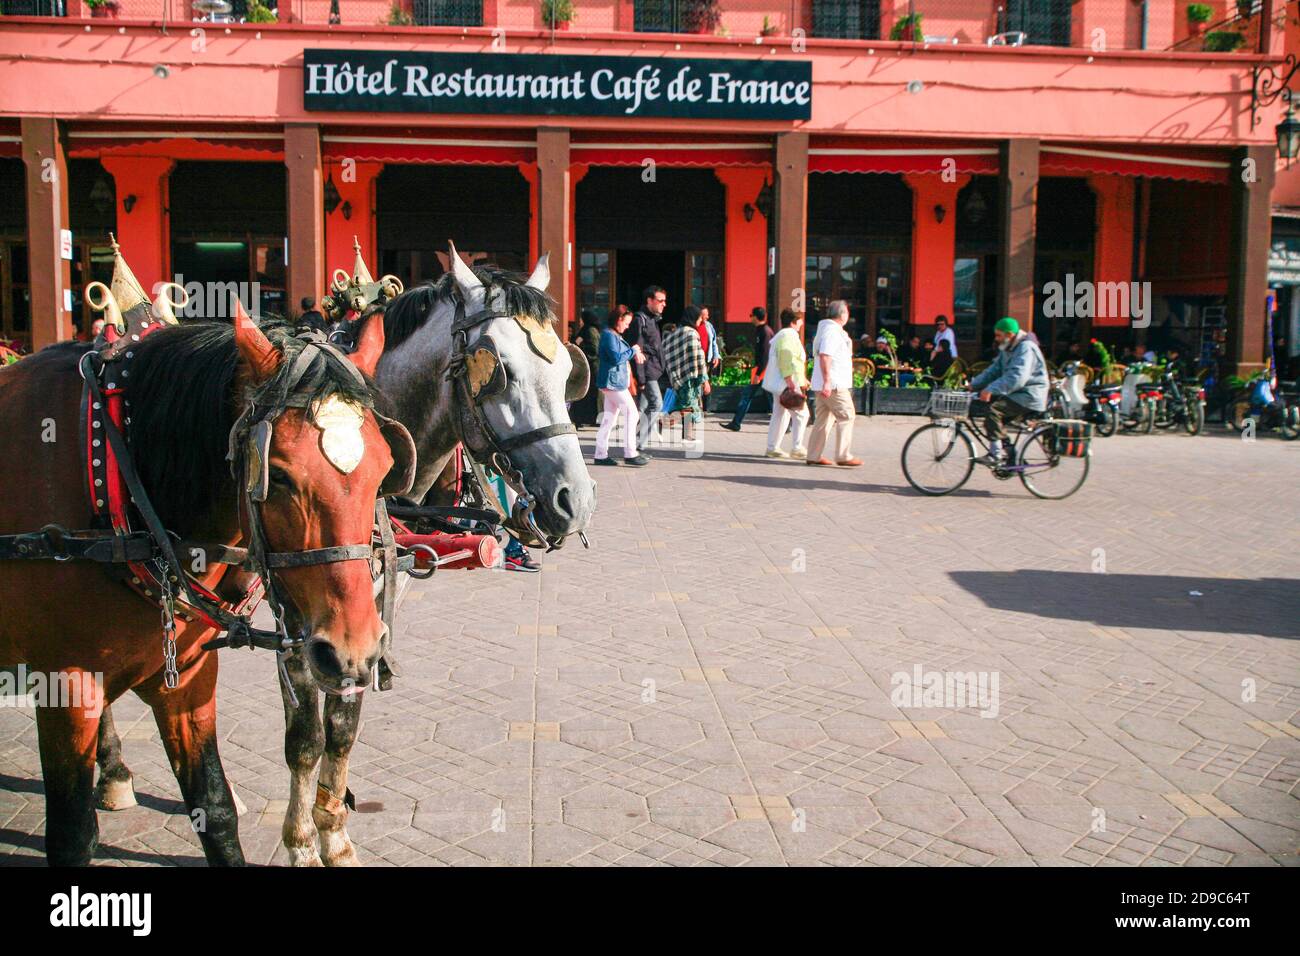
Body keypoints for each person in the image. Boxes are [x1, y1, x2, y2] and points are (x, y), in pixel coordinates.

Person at [968, 316, 1049, 466]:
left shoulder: (1025, 348)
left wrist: (990, 389)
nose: (996, 339)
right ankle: (1011, 455)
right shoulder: (1008, 347)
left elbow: (1018, 377)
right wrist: (974, 384)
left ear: (1010, 334)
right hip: (1018, 393)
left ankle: (996, 455)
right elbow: (994, 370)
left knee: (994, 411)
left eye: (999, 335)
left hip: (1030, 394)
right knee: (992, 421)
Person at [805, 300, 862, 467]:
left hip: (825, 383)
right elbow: (825, 355)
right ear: (843, 314)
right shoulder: (832, 331)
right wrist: (828, 381)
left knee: (823, 419)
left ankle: (814, 455)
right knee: (847, 415)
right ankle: (843, 455)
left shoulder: (826, 329)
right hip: (834, 384)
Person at [593, 308, 650, 467]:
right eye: (626, 323)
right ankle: (630, 453)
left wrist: (634, 351)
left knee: (608, 420)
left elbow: (619, 355)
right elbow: (616, 357)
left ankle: (600, 454)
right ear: (618, 319)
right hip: (614, 383)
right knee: (632, 414)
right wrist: (633, 351)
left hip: (612, 382)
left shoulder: (611, 335)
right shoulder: (609, 336)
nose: (627, 326)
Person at [762, 308, 809, 458]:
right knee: (802, 414)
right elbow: (786, 358)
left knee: (780, 414)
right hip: (787, 382)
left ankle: (773, 447)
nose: (801, 324)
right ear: (794, 322)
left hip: (780, 383)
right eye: (800, 320)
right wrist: (791, 381)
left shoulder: (781, 335)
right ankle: (797, 447)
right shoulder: (789, 335)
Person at [721, 306, 774, 431]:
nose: (750, 318)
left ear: (756, 317)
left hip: (764, 371)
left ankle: (785, 424)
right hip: (762, 370)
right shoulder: (762, 330)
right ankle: (736, 422)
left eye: (751, 315)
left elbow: (765, 355)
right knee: (751, 395)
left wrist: (758, 374)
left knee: (769, 398)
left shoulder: (765, 332)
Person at [663, 305, 711, 442]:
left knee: (687, 405)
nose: (700, 321)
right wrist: (705, 380)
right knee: (688, 407)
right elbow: (698, 358)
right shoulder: (691, 333)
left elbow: (667, 352)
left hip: (678, 376)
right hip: (690, 377)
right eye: (699, 318)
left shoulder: (675, 333)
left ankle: (687, 435)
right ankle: (659, 425)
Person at [570, 308, 604, 427]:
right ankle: (582, 419)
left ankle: (587, 419)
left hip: (591, 368)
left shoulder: (590, 331)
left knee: (587, 394)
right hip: (587, 367)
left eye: (581, 318)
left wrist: (581, 349)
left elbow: (593, 350)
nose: (579, 321)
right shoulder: (586, 330)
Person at [697, 306, 722, 375]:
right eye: (705, 315)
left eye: (707, 314)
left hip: (706, 360)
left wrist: (716, 356)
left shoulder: (709, 325)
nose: (707, 317)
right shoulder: (693, 326)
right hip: (695, 360)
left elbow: (714, 342)